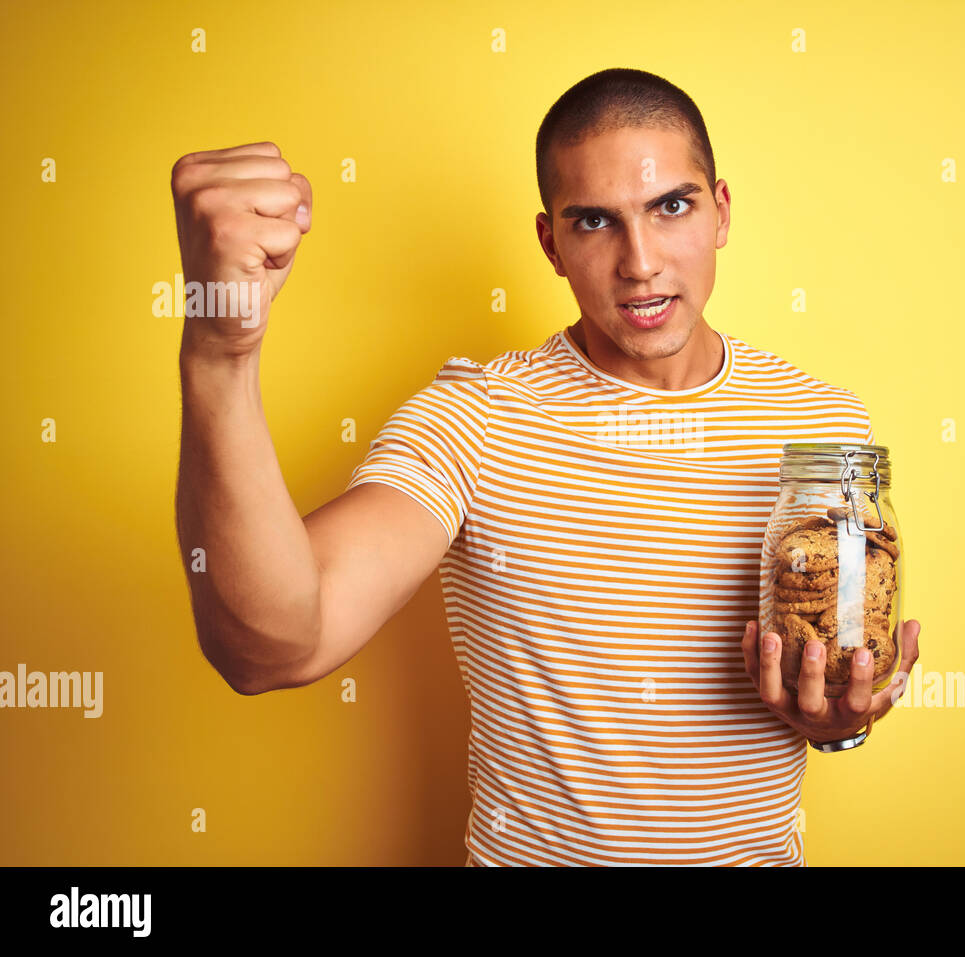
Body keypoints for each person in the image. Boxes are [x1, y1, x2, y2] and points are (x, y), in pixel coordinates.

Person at [172, 67, 921, 867]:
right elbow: (274, 646)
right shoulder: (473, 419)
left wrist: (840, 719)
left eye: (672, 206)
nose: (640, 262)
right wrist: (221, 354)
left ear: (721, 211)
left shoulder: (823, 429)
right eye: (595, 221)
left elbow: (842, 664)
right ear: (551, 243)